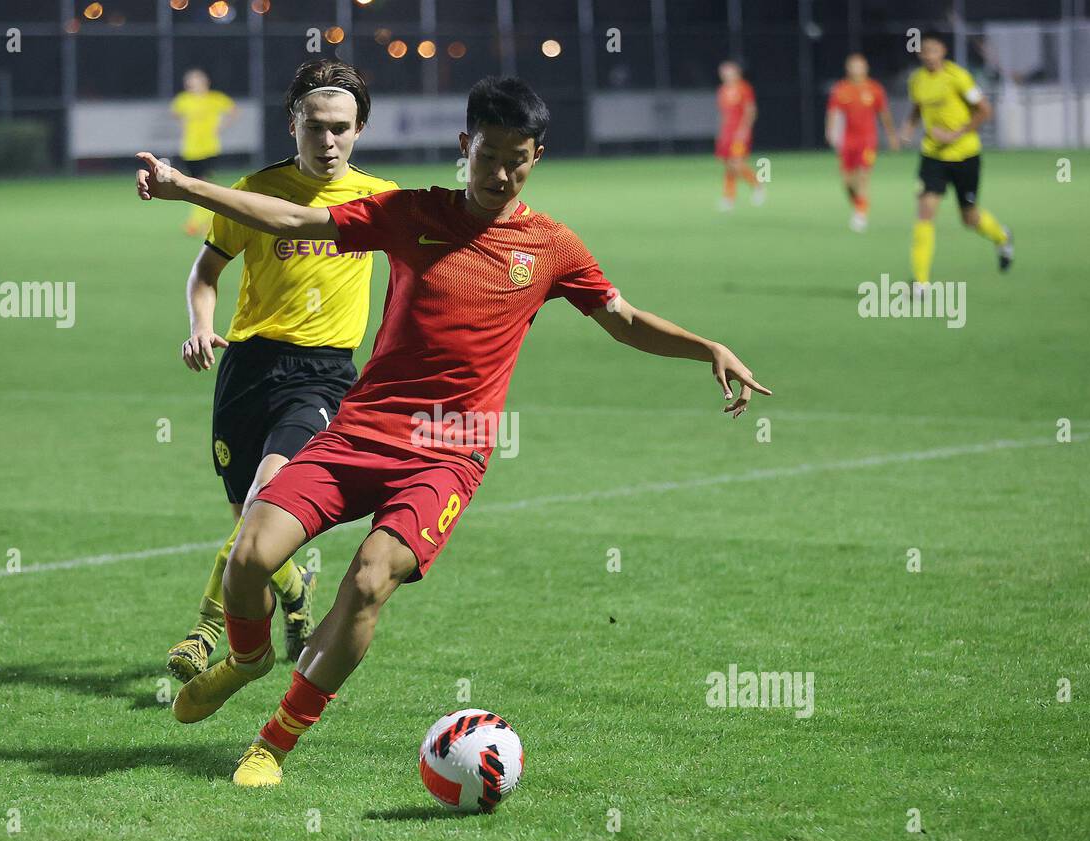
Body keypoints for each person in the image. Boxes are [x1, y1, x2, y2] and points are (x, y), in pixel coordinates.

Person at [135, 76, 771, 789]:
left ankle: (274, 743)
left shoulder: (552, 246)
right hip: (362, 429)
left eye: (518, 158)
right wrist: (186, 189)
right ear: (464, 146)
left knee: (370, 580)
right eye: (489, 154)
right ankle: (248, 659)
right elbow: (287, 222)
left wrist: (706, 347)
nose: (501, 172)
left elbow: (620, 317)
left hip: (448, 453)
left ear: (537, 158)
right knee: (251, 550)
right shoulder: (409, 213)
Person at [166, 60, 398, 681]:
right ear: (292, 123)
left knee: (261, 506)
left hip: (321, 378)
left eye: (342, 129)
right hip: (246, 369)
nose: (328, 142)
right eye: (316, 128)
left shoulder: (380, 201)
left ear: (361, 129)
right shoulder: (255, 190)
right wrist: (198, 324)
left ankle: (206, 629)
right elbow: (206, 271)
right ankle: (295, 595)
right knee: (251, 521)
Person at [900, 32, 1013, 285]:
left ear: (943, 52)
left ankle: (1002, 237)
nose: (929, 55)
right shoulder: (917, 80)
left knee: (969, 218)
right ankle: (920, 282)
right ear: (920, 53)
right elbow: (917, 108)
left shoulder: (958, 77)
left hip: (965, 155)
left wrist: (956, 134)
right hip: (933, 155)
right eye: (925, 51)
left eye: (934, 50)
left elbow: (985, 109)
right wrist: (908, 129)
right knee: (925, 211)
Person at [826, 54, 898, 232]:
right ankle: (858, 205)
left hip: (867, 140)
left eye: (860, 66)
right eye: (853, 66)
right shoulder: (841, 89)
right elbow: (833, 112)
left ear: (866, 68)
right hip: (847, 141)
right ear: (847, 68)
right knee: (847, 183)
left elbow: (884, 114)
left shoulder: (874, 89)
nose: (856, 69)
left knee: (863, 176)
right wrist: (830, 131)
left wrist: (891, 135)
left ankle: (861, 213)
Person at [170, 68, 237, 236]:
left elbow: (233, 111)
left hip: (209, 148)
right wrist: (184, 126)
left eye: (196, 80)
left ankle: (196, 222)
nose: (192, 84)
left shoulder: (215, 98)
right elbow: (175, 113)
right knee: (198, 185)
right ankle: (207, 220)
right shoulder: (183, 100)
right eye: (190, 81)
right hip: (190, 149)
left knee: (201, 184)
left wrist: (220, 127)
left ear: (205, 82)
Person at [715, 61, 765, 211]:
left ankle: (758, 185)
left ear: (736, 72)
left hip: (739, 132)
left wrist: (744, 129)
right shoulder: (722, 90)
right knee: (729, 166)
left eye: (728, 71)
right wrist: (722, 133)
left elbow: (751, 110)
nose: (725, 74)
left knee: (737, 163)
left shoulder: (744, 88)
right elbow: (723, 114)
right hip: (727, 133)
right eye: (723, 72)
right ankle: (728, 197)